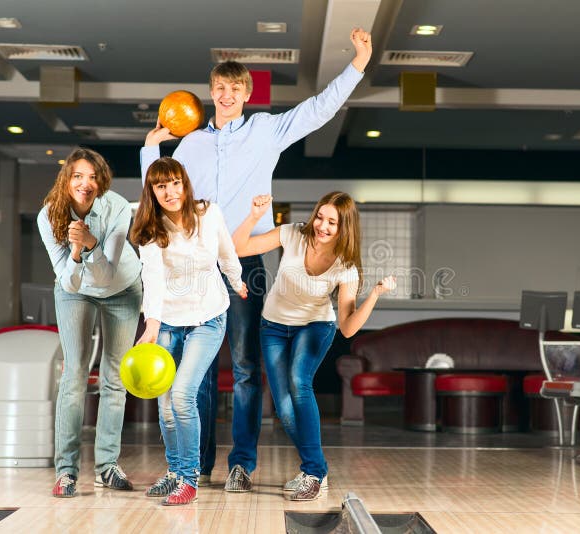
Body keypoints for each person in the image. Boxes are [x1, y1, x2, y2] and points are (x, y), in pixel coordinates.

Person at [140, 28, 374, 492]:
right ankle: (196, 464)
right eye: (219, 89)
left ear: (247, 94)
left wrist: (359, 63)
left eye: (235, 89)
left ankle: (240, 464)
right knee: (196, 373)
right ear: (211, 93)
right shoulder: (189, 147)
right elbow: (160, 193)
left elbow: (319, 108)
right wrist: (151, 147)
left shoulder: (266, 130)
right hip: (196, 265)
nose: (226, 96)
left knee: (247, 366)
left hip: (244, 263)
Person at [233, 192, 396, 501]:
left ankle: (313, 473)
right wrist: (254, 216)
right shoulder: (293, 233)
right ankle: (318, 471)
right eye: (320, 216)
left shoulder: (346, 266)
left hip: (315, 326)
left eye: (332, 222)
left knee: (298, 381)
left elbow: (347, 328)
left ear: (344, 228)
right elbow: (240, 248)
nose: (322, 225)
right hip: (274, 327)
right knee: (283, 408)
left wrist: (374, 294)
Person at [130, 157, 247, 506]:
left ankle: (190, 478)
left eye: (175, 183)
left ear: (185, 183)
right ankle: (175, 472)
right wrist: (151, 324)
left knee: (182, 395)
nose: (170, 191)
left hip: (208, 318)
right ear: (152, 190)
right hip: (167, 319)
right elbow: (151, 279)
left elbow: (227, 253)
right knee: (165, 403)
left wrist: (237, 281)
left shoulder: (209, 214)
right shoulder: (150, 229)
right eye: (161, 185)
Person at [38, 147, 142, 498]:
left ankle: (107, 466)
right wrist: (78, 251)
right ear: (66, 178)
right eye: (79, 175)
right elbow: (69, 282)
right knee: (74, 374)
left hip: (122, 287)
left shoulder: (116, 206)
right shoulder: (47, 216)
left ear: (102, 182)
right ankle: (66, 472)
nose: (86, 183)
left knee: (115, 377)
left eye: (94, 176)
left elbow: (108, 270)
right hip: (75, 287)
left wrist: (90, 243)